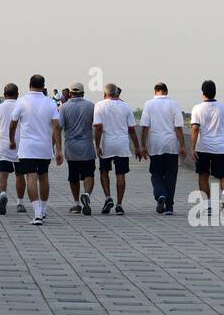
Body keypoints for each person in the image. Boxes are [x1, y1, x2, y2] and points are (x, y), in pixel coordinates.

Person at [8, 75, 62, 225]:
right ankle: (43, 210)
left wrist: (11, 140)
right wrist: (59, 150)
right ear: (43, 86)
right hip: (45, 147)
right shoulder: (50, 102)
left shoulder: (22, 101)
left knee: (31, 177)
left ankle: (37, 213)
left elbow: (13, 124)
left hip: (28, 147)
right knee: (43, 176)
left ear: (29, 85)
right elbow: (57, 126)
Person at [140, 83, 187, 215]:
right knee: (171, 175)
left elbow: (144, 127)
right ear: (166, 91)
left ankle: (161, 194)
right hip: (171, 144)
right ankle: (169, 207)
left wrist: (143, 145)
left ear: (155, 91)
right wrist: (182, 146)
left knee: (156, 173)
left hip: (156, 145)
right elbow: (178, 128)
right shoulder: (174, 104)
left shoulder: (149, 104)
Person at [93, 84, 139, 216]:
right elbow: (132, 129)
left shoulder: (99, 105)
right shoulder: (126, 106)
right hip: (122, 144)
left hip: (106, 144)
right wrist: (137, 147)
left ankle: (108, 197)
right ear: (117, 93)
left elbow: (98, 127)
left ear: (105, 94)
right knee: (121, 174)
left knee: (104, 171)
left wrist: (97, 145)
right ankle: (119, 205)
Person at [191, 81, 224, 212]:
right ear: (215, 92)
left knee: (203, 175)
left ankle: (208, 206)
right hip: (221, 148)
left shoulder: (197, 108)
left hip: (203, 148)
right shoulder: (223, 108)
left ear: (203, 92)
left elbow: (195, 129)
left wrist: (192, 148)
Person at [0, 84, 26, 215]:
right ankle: (20, 202)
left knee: (2, 174)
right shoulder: (23, 107)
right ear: (17, 94)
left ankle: (3, 194)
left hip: (3, 146)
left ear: (4, 94)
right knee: (20, 175)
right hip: (21, 147)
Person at [59, 83, 97, 216]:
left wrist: (56, 148)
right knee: (89, 174)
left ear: (70, 93)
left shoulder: (64, 107)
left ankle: (76, 203)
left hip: (71, 147)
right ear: (83, 93)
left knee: (73, 176)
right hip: (87, 146)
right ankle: (86, 194)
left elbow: (59, 127)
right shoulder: (91, 106)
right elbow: (97, 125)